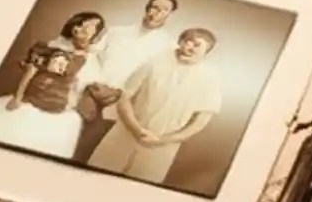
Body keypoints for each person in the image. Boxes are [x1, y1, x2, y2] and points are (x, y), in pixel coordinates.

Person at [87, 27, 223, 185]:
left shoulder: (210, 78)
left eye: (196, 45)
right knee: (96, 179)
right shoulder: (154, 62)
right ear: (180, 42)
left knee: (137, 192)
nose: (189, 47)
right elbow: (125, 96)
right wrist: (136, 129)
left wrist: (162, 140)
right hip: (126, 133)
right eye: (187, 41)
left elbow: (200, 122)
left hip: (162, 146)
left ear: (207, 51)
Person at [0, 12, 107, 160]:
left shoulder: (88, 59)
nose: (86, 29)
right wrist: (18, 97)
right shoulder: (52, 47)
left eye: (93, 27)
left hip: (58, 106)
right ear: (75, 25)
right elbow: (31, 72)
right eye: (84, 24)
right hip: (33, 98)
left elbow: (81, 87)